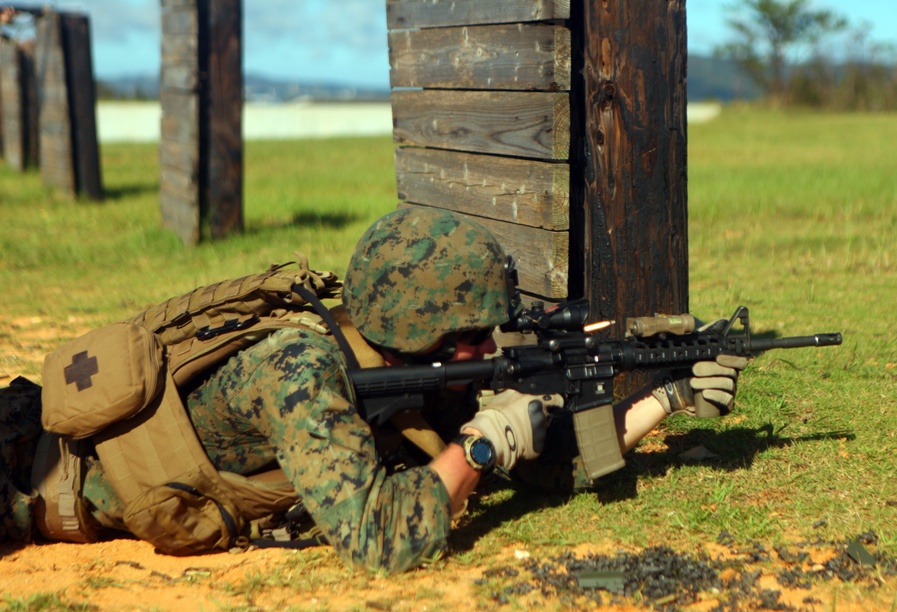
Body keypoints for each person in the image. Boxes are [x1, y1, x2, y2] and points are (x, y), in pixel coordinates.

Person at [0, 207, 745, 572]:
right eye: (472, 336)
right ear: (419, 328)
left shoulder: (405, 362)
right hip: (24, 469)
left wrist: (666, 397)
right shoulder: (299, 370)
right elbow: (379, 538)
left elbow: (545, 469)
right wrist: (479, 447)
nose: (487, 350)